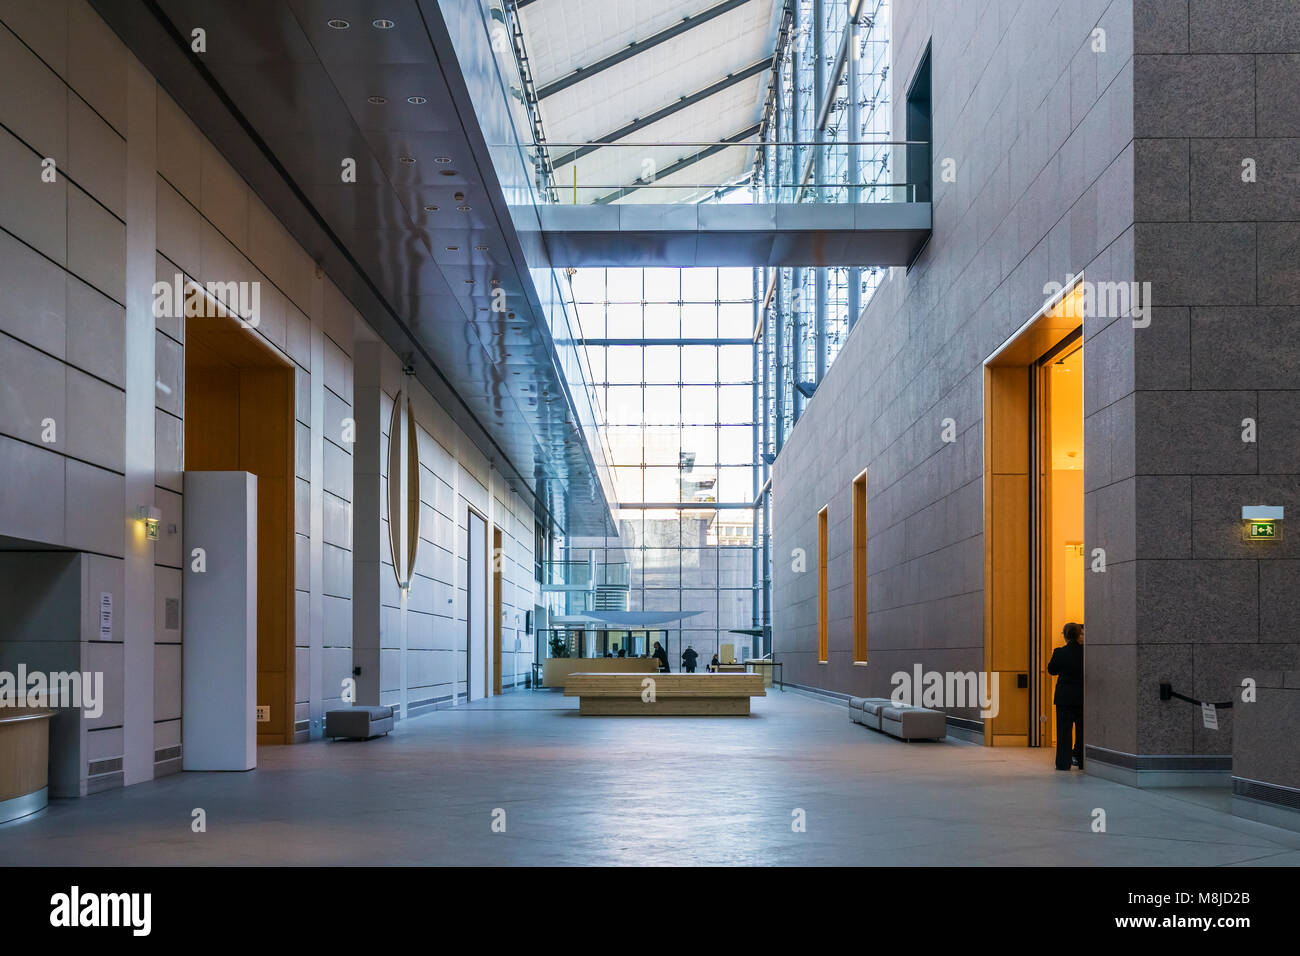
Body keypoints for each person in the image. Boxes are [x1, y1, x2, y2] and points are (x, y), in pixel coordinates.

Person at [1047, 622, 1084, 771]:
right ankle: (1081, 759)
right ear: (1078, 635)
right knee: (1082, 730)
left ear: (1065, 636)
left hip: (1064, 697)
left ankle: (1063, 762)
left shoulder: (1059, 652)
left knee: (1064, 731)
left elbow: (1052, 670)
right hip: (1082, 696)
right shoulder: (1085, 652)